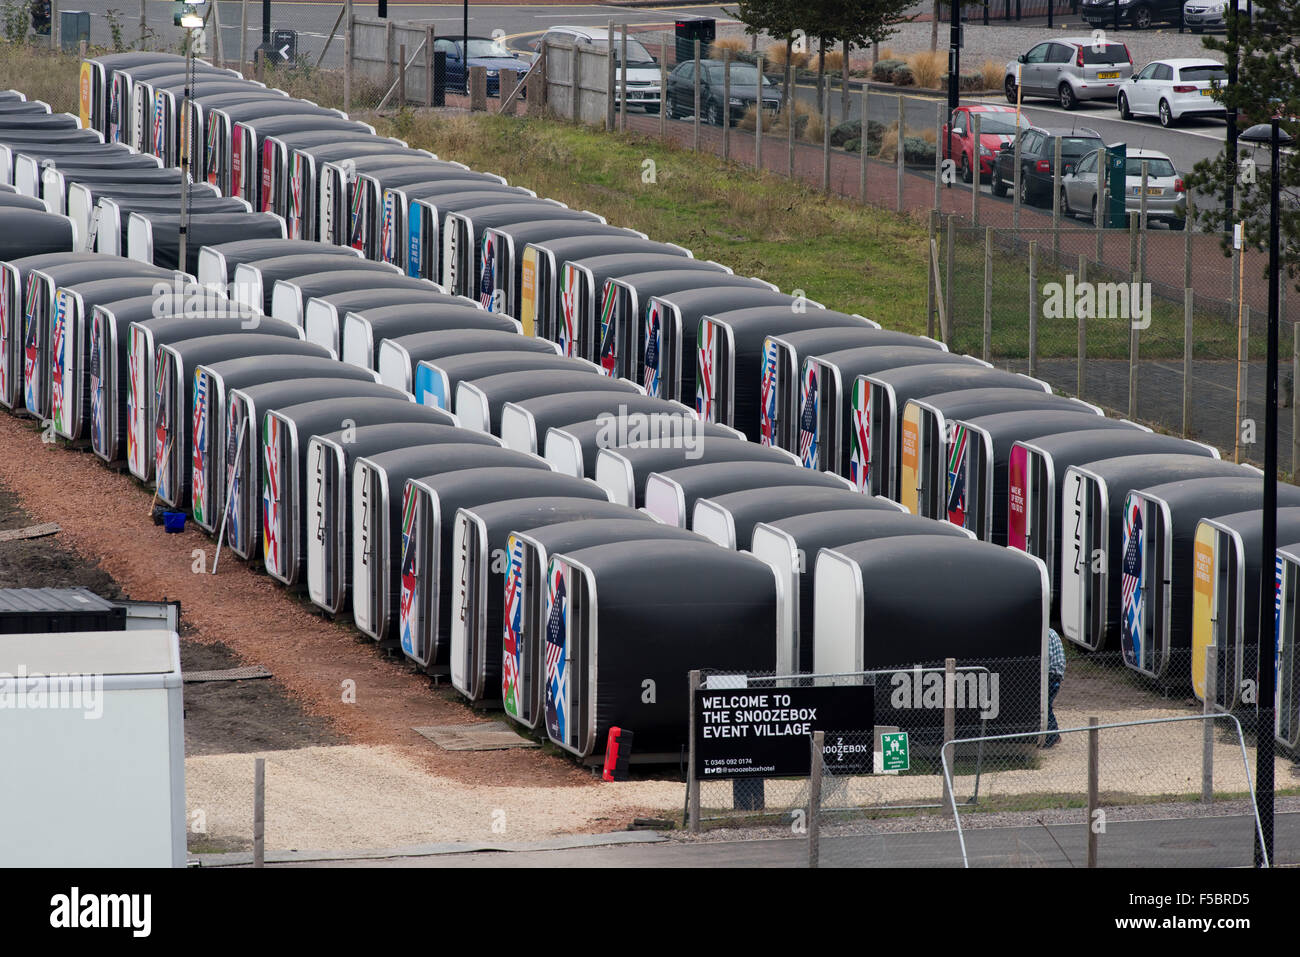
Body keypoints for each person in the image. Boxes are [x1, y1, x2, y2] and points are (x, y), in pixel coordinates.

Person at [1044, 626, 1065, 748]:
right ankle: (1054, 735)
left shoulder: (1045, 635)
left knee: (1045, 706)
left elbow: (1046, 658)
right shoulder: (1052, 632)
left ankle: (1052, 737)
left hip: (1051, 674)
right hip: (1057, 674)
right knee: (1047, 705)